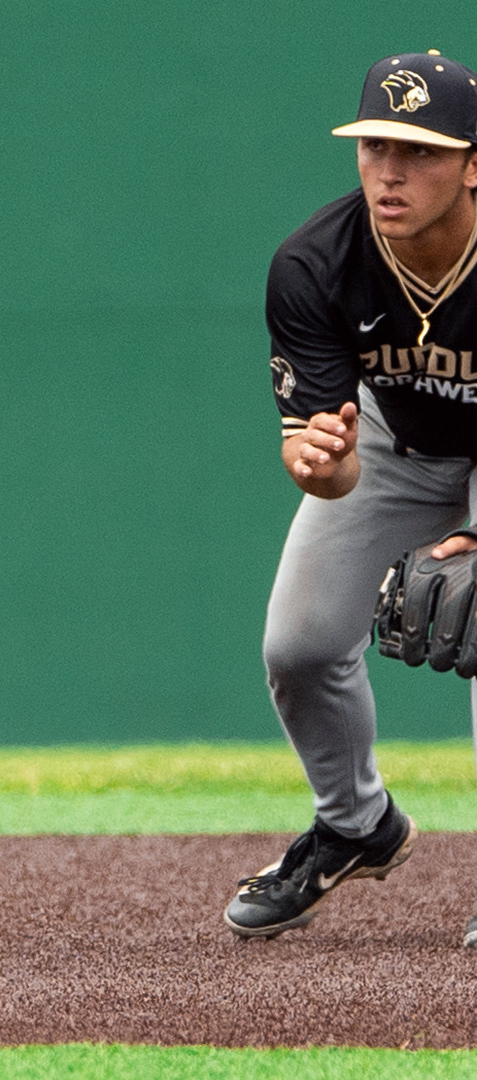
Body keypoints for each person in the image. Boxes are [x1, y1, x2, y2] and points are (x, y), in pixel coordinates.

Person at [225, 51, 477, 942]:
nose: (391, 171)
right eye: (375, 145)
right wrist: (320, 464)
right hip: (394, 441)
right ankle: (357, 825)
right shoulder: (314, 263)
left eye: (422, 151)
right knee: (297, 646)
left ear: (474, 163)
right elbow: (326, 461)